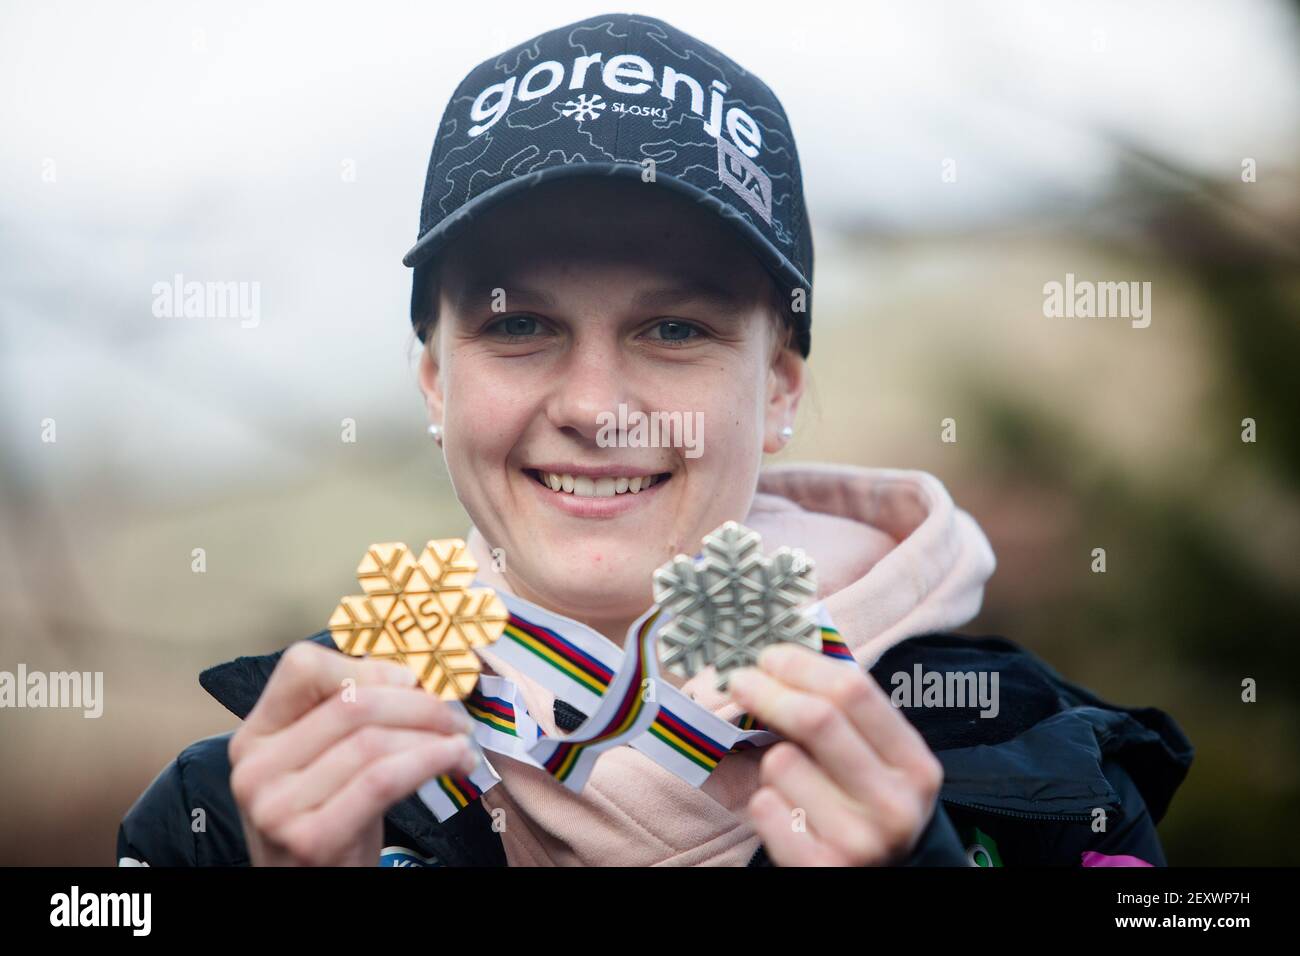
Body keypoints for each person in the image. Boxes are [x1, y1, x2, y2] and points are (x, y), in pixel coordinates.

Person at [117, 13, 1192, 867]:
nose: (594, 403)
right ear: (435, 381)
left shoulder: (1051, 772)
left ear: (777, 388)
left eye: (673, 328)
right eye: (519, 324)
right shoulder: (227, 811)